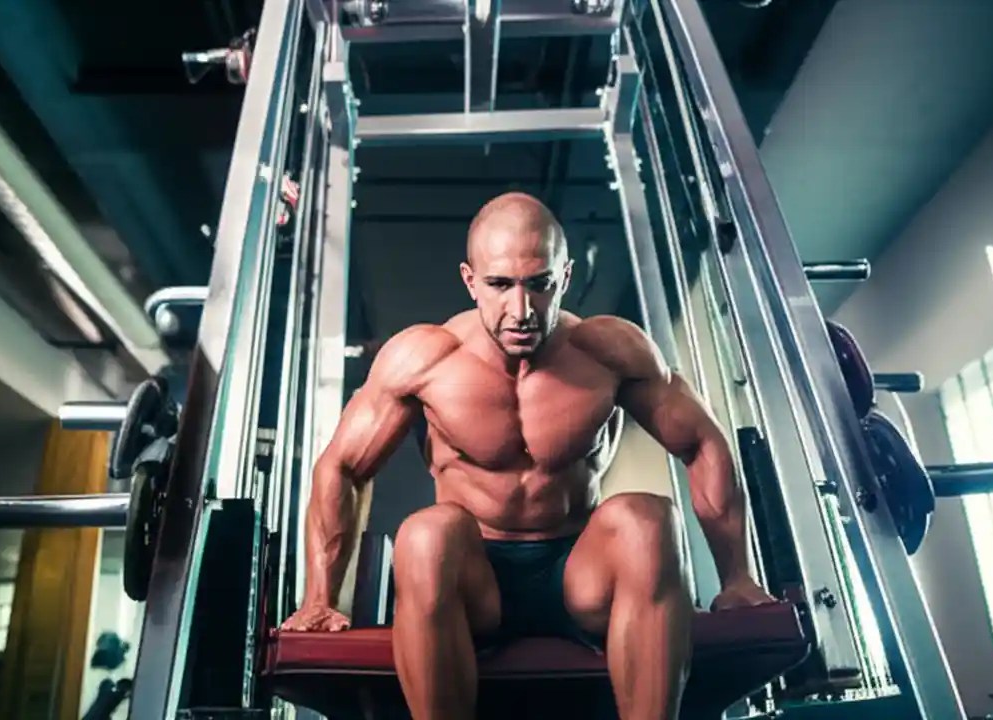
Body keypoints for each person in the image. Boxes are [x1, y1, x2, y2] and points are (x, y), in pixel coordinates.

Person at [281, 192, 775, 719]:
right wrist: (320, 597)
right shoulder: (425, 359)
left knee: (648, 517)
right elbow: (344, 466)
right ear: (470, 281)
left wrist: (738, 577)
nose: (521, 310)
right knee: (425, 534)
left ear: (564, 276)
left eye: (538, 285)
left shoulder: (607, 352)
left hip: (579, 575)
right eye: (499, 285)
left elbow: (702, 441)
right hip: (475, 584)